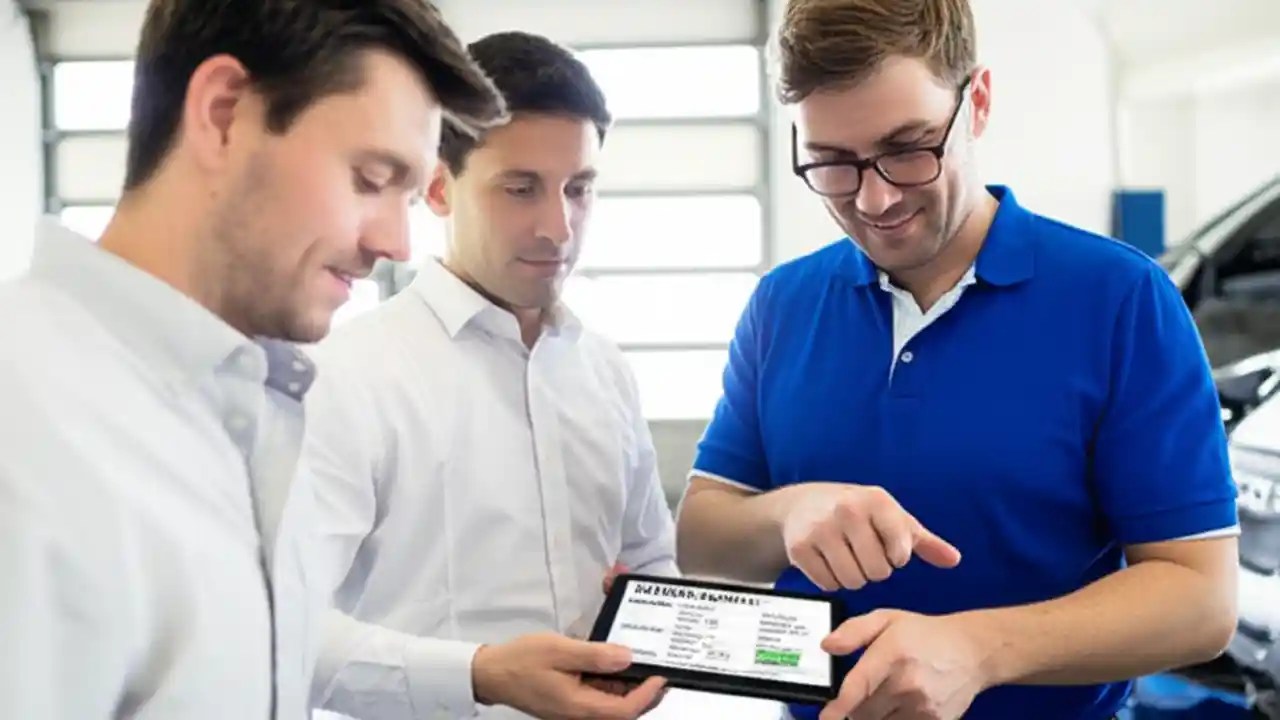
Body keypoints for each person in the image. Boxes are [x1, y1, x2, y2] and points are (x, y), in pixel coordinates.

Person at [675, 1, 1240, 719]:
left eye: (909, 148)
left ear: (977, 103)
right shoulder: (781, 305)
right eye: (832, 162)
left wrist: (979, 650)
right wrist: (788, 514)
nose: (875, 198)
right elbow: (702, 539)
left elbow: (1200, 598)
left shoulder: (1121, 300)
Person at [0, 1, 502, 718]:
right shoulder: (26, 426)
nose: (395, 243)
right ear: (224, 114)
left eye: (410, 198)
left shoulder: (254, 412)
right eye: (369, 178)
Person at [303, 30, 675, 720]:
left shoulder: (606, 371)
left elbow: (652, 561)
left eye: (579, 189)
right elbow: (288, 631)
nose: (559, 227)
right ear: (438, 187)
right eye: (520, 189)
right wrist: (479, 675)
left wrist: (654, 644)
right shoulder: (346, 378)